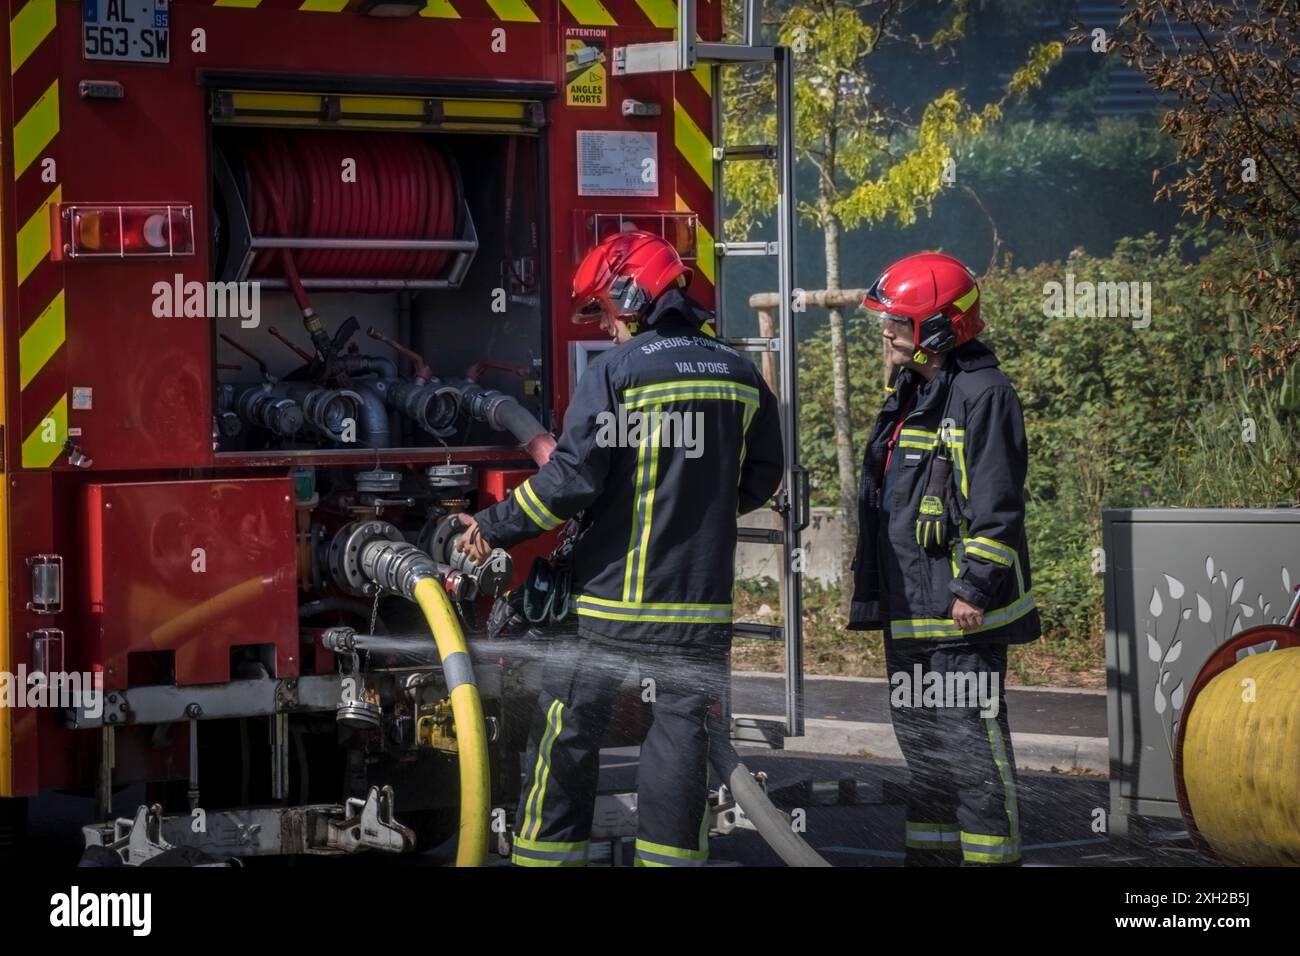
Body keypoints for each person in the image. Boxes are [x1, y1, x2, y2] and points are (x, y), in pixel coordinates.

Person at [457, 229, 784, 866]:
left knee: (566, 733)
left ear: (632, 294)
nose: (605, 328)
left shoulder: (618, 374)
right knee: (680, 744)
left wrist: (493, 525)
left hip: (609, 605)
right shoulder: (742, 374)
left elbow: (570, 483)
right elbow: (761, 477)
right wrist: (701, 510)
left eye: (604, 311)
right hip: (698, 609)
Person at [848, 251, 1040, 866]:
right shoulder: (914, 391)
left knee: (971, 755)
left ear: (937, 327)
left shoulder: (984, 395)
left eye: (898, 322)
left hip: (956, 619)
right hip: (912, 614)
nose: (887, 332)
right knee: (926, 759)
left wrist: (975, 590)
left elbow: (997, 504)